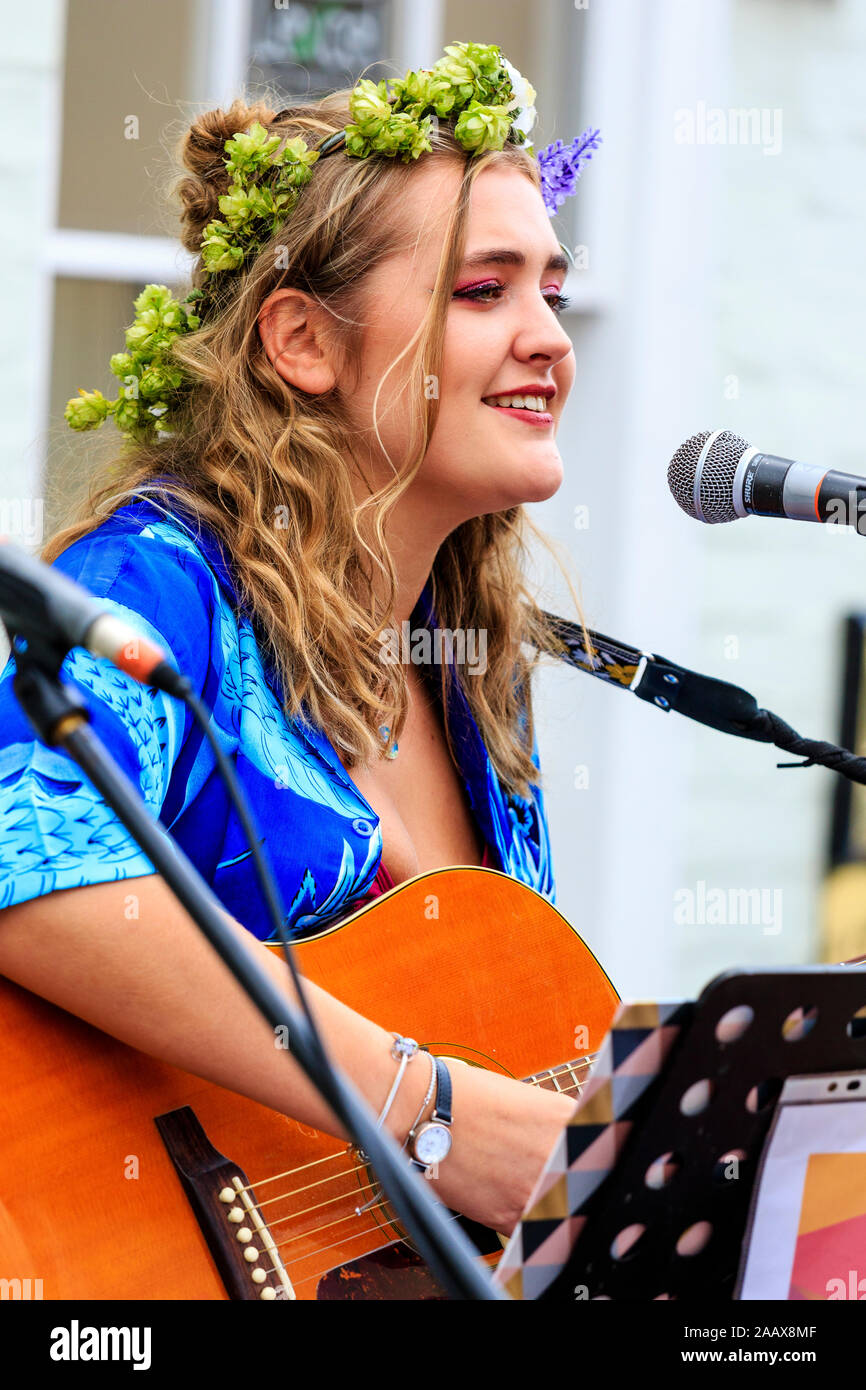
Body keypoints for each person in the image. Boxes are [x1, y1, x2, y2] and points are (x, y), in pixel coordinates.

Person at [0, 43, 600, 1243]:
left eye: (553, 288)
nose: (548, 338)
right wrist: (417, 1107)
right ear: (303, 344)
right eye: (482, 292)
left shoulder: (466, 659)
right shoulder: (155, 584)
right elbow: (21, 863)